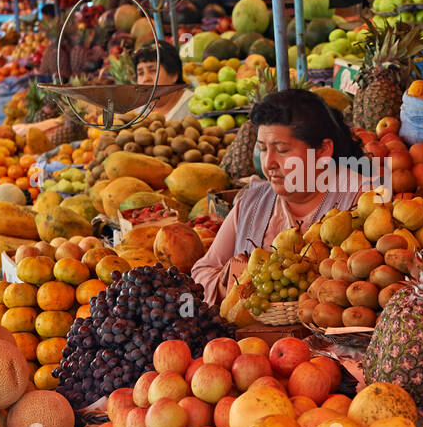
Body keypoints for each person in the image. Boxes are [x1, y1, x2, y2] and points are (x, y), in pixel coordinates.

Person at [191, 89, 366, 306]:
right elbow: (201, 272)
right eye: (263, 149)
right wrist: (224, 282)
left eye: (282, 150)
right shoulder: (252, 203)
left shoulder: (361, 198)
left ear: (322, 151)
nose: (269, 163)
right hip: (250, 339)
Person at [133, 40, 193, 122]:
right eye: (141, 73)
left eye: (153, 70)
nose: (145, 79)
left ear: (173, 75)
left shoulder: (192, 107)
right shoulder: (135, 111)